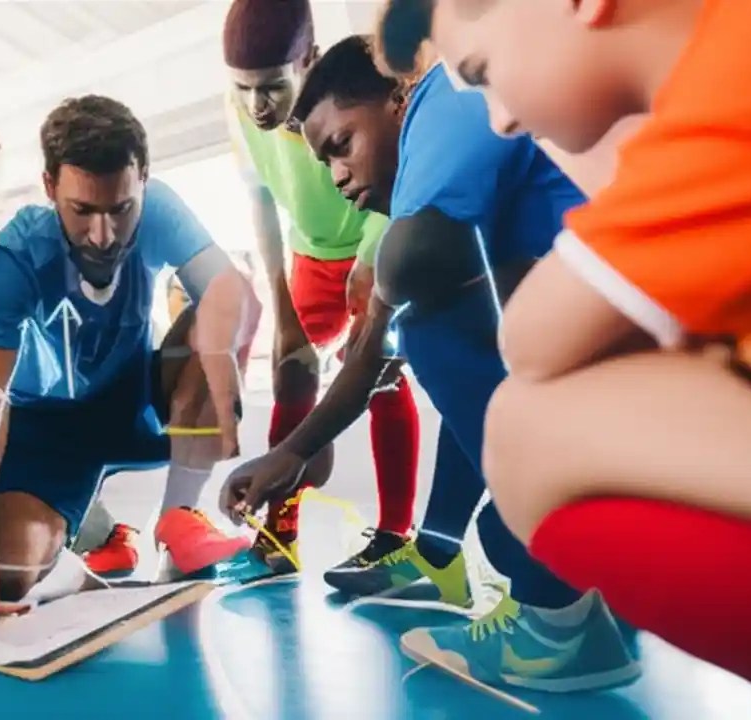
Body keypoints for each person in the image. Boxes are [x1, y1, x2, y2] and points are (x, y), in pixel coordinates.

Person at [412, 0, 751, 712]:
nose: (501, 122)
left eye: (484, 74)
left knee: (527, 433)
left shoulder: (750, 65)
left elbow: (534, 338)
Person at [222, 35, 640, 693]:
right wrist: (292, 454)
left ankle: (556, 621)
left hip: (681, 323)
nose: (337, 178)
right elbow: (373, 351)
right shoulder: (475, 196)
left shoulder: (445, 95)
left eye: (340, 145)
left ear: (396, 98)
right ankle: (569, 581)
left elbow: (411, 266)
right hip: (653, 336)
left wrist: (386, 288)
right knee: (462, 321)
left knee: (428, 319)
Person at [0, 95, 260, 645]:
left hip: (136, 406)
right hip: (44, 432)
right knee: (8, 571)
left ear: (143, 181)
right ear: (51, 186)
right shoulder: (12, 259)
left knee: (218, 309)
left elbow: (229, 289)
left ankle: (177, 520)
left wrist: (223, 376)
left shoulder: (159, 208)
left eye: (121, 209)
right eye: (83, 211)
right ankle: (96, 535)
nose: (103, 235)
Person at [216, 0, 422, 582]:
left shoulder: (350, 89)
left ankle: (393, 536)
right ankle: (278, 537)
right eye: (243, 89)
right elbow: (260, 206)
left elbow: (393, 173)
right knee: (292, 373)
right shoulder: (241, 113)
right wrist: (282, 314)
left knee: (381, 372)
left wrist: (370, 256)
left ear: (306, 60)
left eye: (271, 88)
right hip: (310, 253)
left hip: (374, 236)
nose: (257, 106)